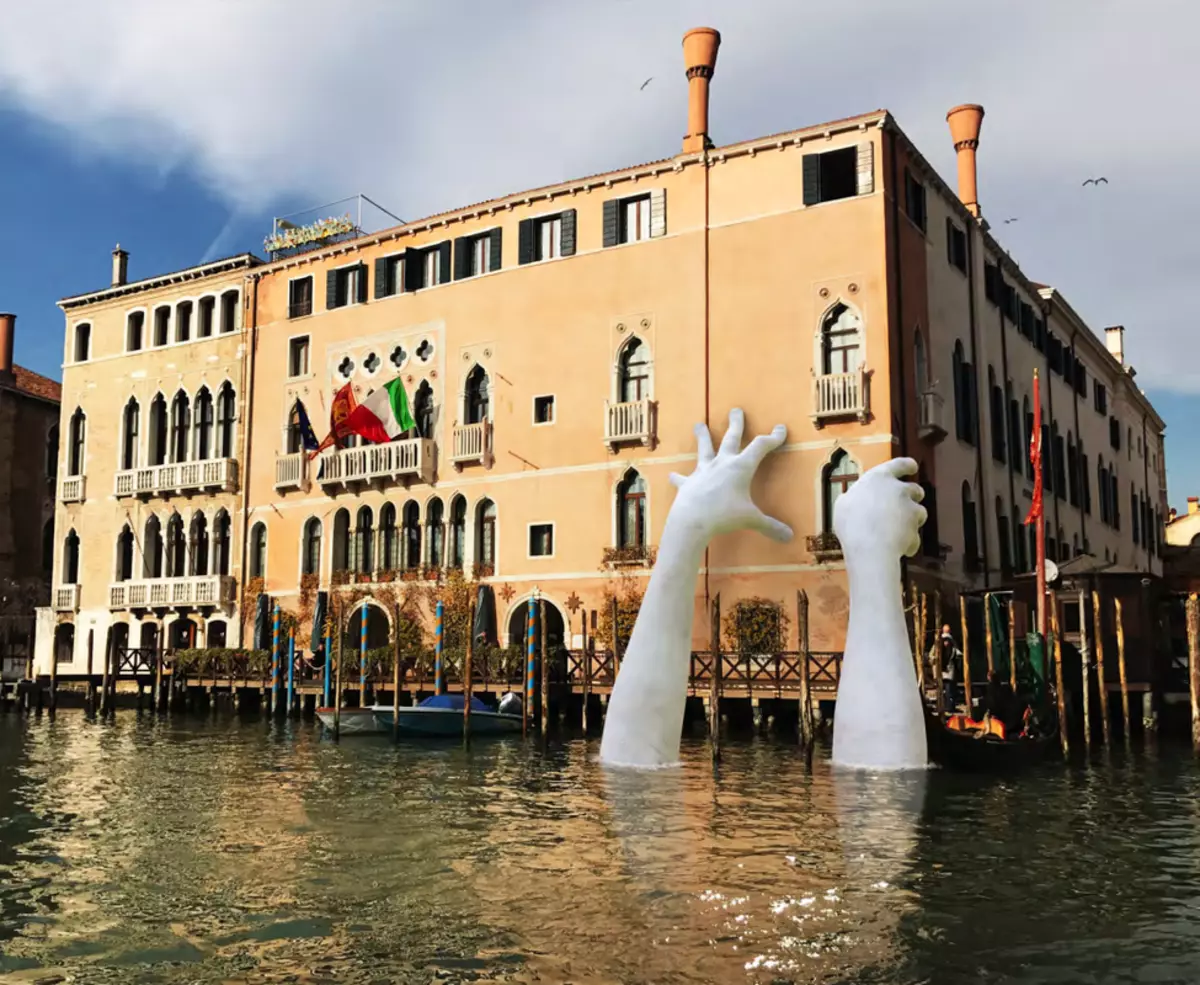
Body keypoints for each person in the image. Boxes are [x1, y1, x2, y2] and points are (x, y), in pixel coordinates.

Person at [939, 625, 962, 710]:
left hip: (945, 671)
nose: (946, 642)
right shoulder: (949, 642)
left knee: (947, 689)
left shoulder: (941, 642)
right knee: (947, 689)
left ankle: (946, 706)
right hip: (946, 670)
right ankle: (947, 706)